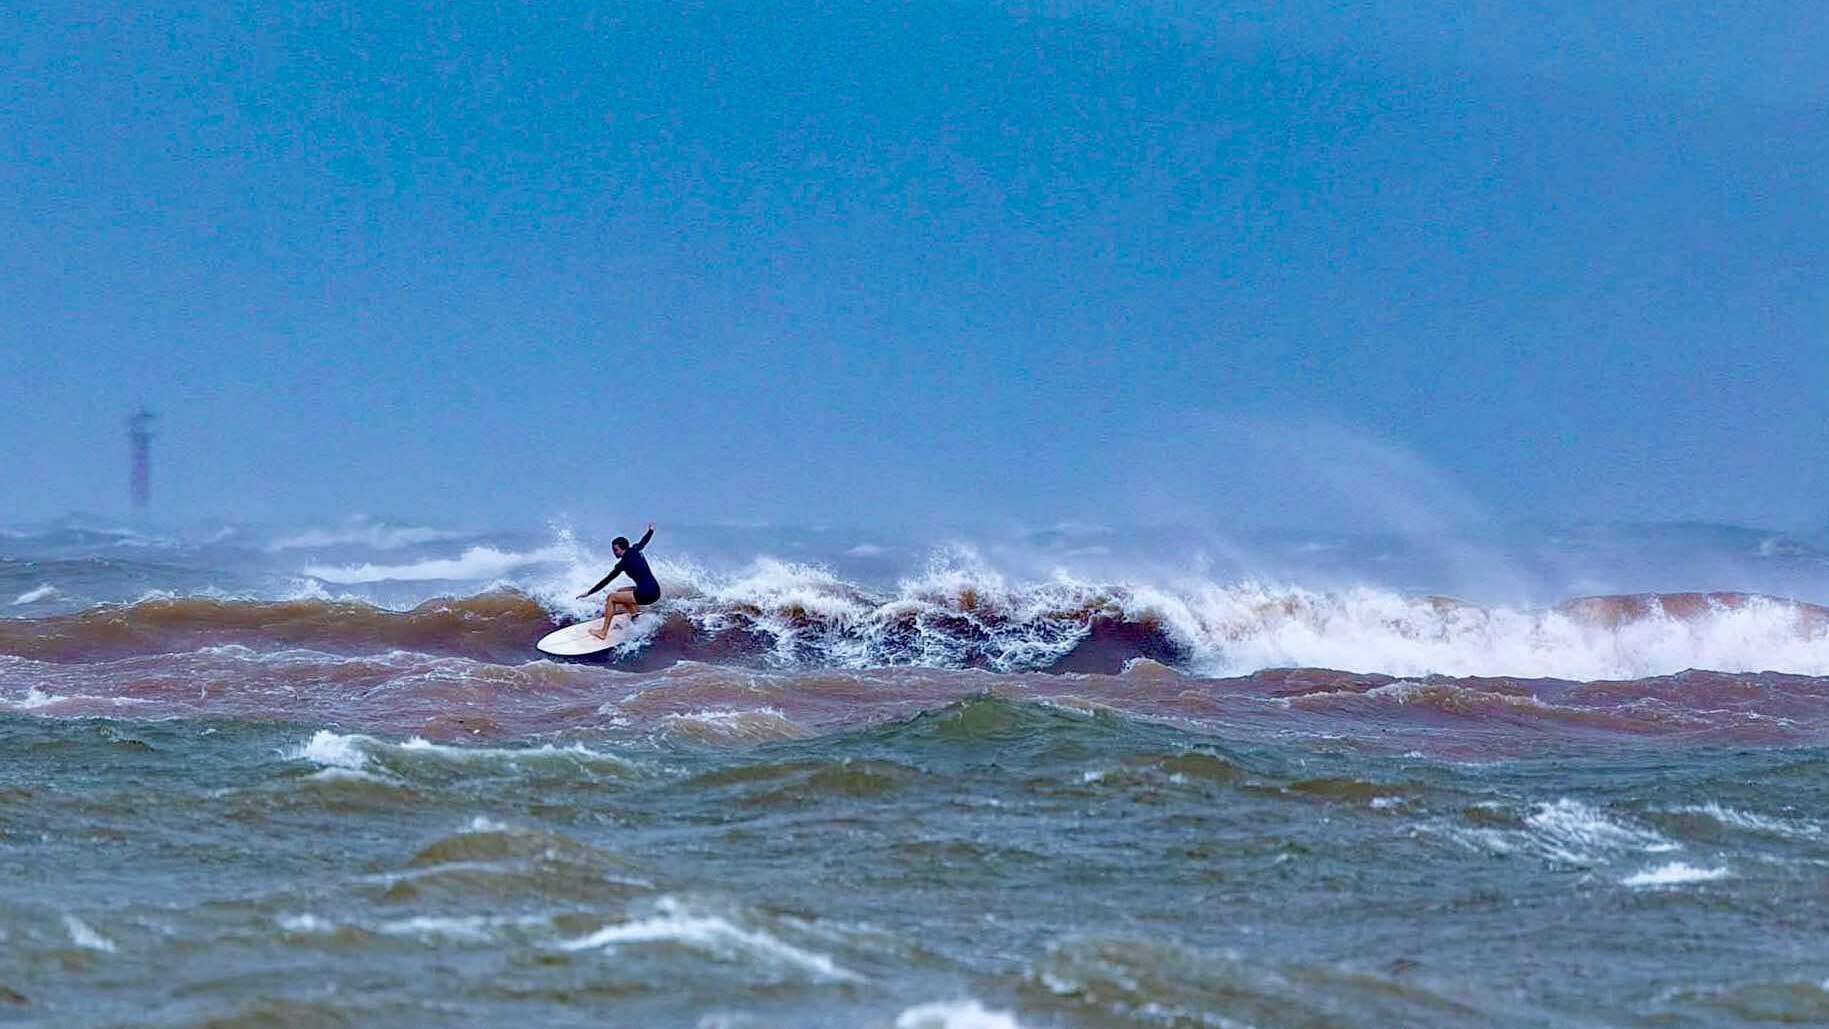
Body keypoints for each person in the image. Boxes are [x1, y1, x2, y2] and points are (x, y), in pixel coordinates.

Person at [577, 522, 661, 639]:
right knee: (620, 592)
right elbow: (644, 541)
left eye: (616, 550)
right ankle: (635, 614)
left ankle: (603, 632)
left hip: (646, 594)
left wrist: (589, 593)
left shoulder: (623, 563)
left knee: (612, 597)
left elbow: (606, 580)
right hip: (655, 590)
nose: (614, 552)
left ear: (623, 549)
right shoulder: (635, 549)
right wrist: (651, 530)